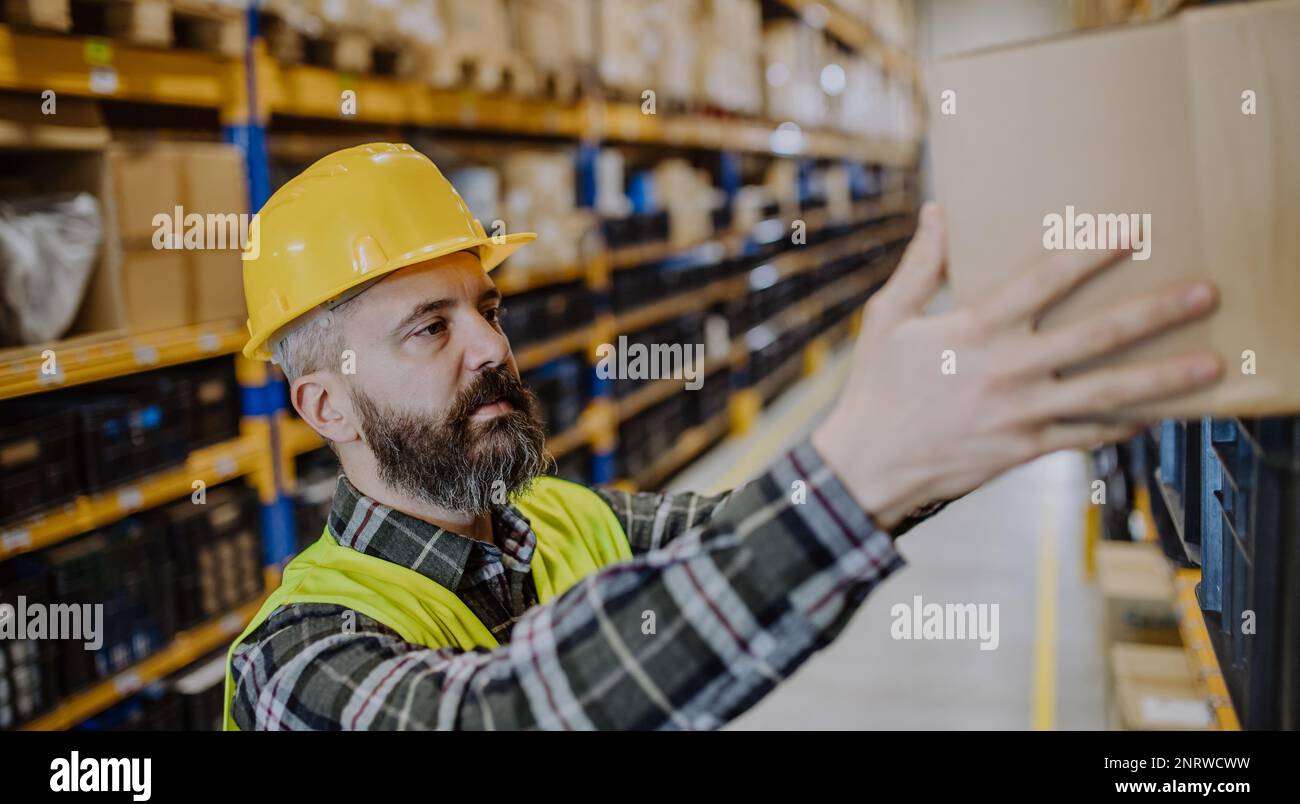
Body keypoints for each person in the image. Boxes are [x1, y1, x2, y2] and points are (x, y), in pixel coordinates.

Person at [223, 143, 1220, 730]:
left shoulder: (565, 522)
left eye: (487, 305)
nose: (492, 345)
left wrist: (973, 416)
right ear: (327, 405)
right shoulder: (297, 653)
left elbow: (757, 523)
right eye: (431, 328)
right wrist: (856, 470)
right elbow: (500, 713)